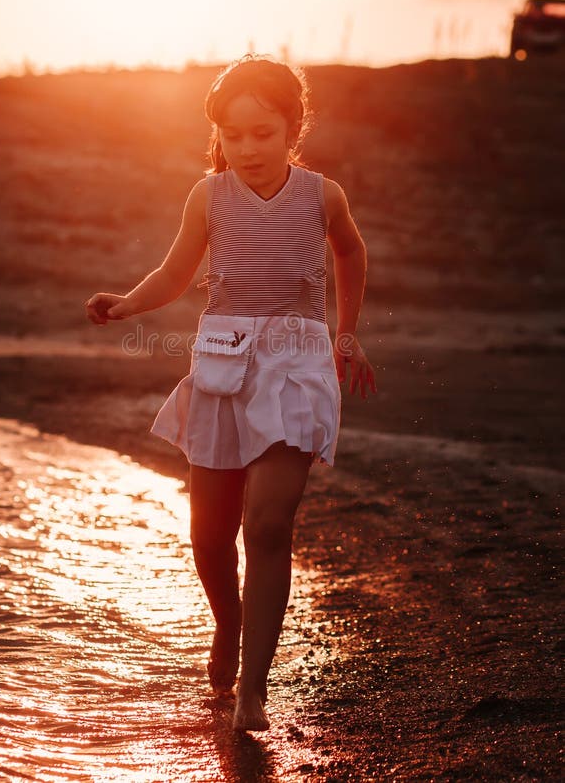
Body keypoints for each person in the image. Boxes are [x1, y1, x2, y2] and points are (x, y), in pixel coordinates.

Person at [85, 53, 377, 733]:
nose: (247, 147)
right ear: (218, 134)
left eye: (263, 132)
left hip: (298, 366)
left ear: (291, 128)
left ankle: (253, 689)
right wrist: (126, 304)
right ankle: (228, 625)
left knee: (268, 525)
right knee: (209, 537)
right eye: (233, 134)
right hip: (222, 365)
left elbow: (352, 252)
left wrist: (348, 332)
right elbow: (175, 270)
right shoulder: (207, 196)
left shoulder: (322, 195)